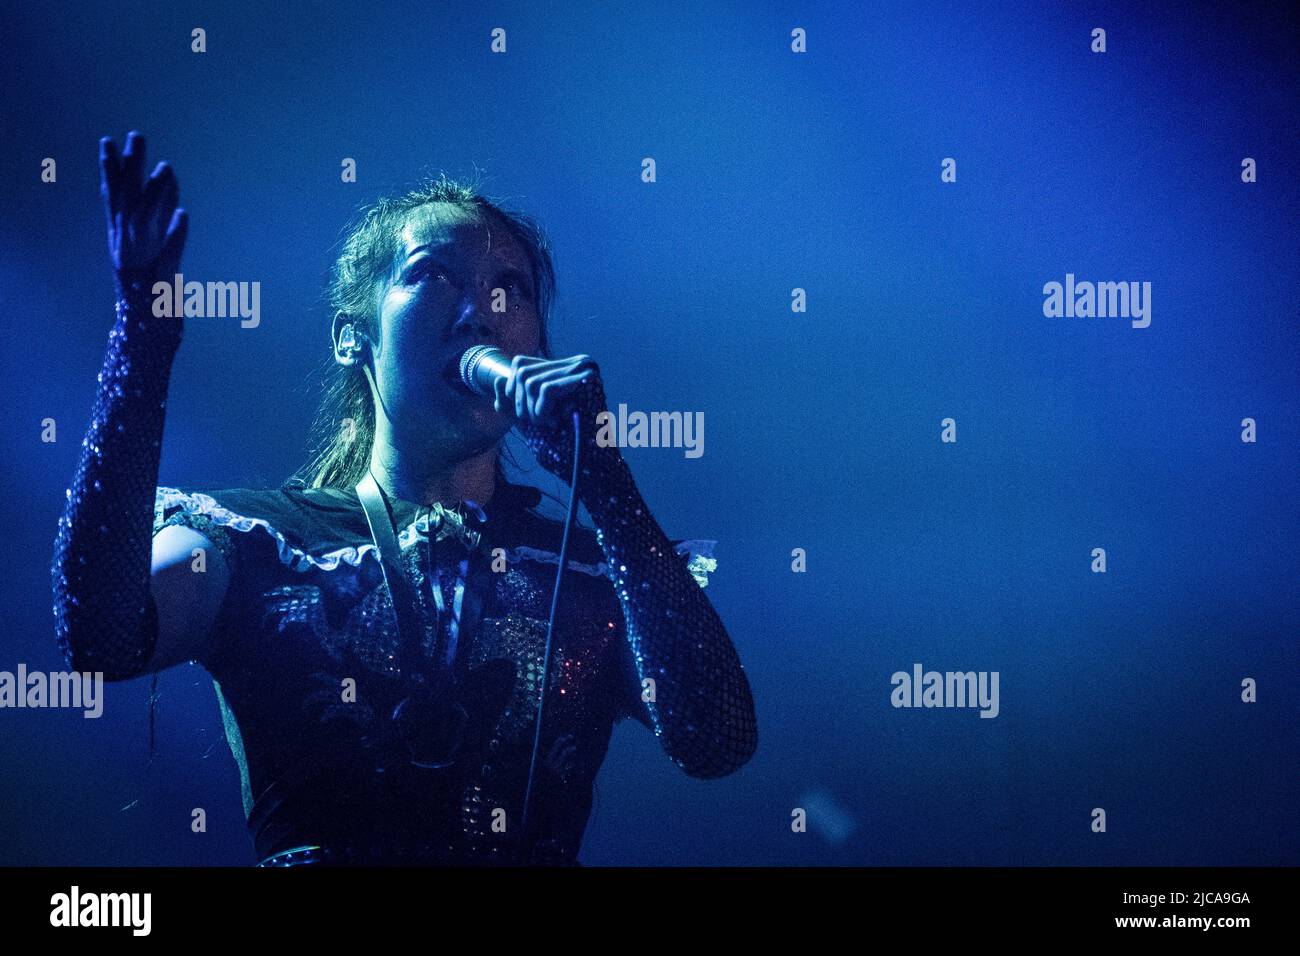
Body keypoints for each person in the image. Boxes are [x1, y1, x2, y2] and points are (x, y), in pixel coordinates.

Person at [51, 131, 758, 866]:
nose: (481, 314)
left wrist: (607, 479)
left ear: (539, 353)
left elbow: (717, 739)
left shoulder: (592, 571)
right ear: (353, 337)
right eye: (434, 276)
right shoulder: (253, 539)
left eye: (509, 290)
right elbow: (101, 637)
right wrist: (141, 344)